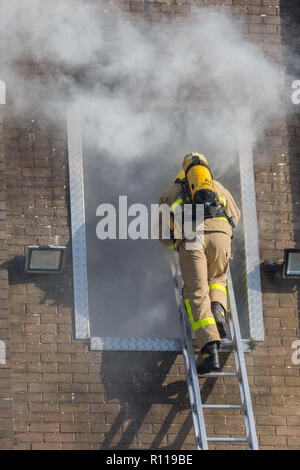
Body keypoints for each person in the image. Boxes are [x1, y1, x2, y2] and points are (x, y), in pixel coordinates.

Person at [158, 153, 241, 374]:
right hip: (221, 237)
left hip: (193, 239)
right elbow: (235, 216)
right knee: (217, 279)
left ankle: (209, 349)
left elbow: (164, 235)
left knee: (196, 292)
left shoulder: (170, 193)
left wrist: (176, 243)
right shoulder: (218, 187)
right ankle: (218, 310)